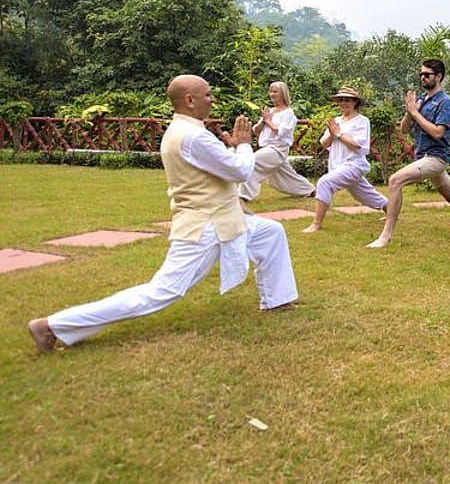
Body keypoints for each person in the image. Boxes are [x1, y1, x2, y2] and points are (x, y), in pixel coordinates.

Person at [27, 74, 298, 352]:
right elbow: (241, 170)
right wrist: (243, 143)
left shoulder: (185, 131)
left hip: (221, 219)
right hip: (205, 227)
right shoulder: (193, 136)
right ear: (190, 100)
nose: (212, 99)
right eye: (207, 95)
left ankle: (277, 299)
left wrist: (233, 148)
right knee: (161, 292)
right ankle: (51, 326)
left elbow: (221, 167)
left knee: (271, 232)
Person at [370, 58, 450, 248]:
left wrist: (416, 113)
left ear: (438, 77)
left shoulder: (445, 103)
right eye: (421, 74)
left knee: (395, 180)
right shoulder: (422, 99)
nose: (423, 77)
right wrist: (409, 111)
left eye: (427, 74)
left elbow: (438, 133)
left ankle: (386, 235)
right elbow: (404, 129)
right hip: (424, 157)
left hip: (436, 158)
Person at [302, 85, 388, 233]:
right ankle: (392, 210)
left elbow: (358, 146)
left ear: (355, 102)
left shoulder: (362, 121)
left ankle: (316, 224)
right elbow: (323, 143)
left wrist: (339, 134)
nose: (343, 102)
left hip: (354, 164)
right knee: (367, 196)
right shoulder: (336, 120)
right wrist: (331, 133)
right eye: (341, 100)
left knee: (324, 182)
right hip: (338, 165)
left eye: (347, 99)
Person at [237, 80, 315, 205]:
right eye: (271, 91)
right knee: (287, 175)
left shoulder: (289, 113)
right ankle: (310, 190)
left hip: (278, 148)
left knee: (252, 161)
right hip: (267, 147)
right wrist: (263, 120)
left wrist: (267, 121)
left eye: (275, 92)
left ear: (283, 94)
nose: (272, 94)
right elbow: (256, 130)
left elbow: (281, 132)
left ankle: (243, 195)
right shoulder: (270, 111)